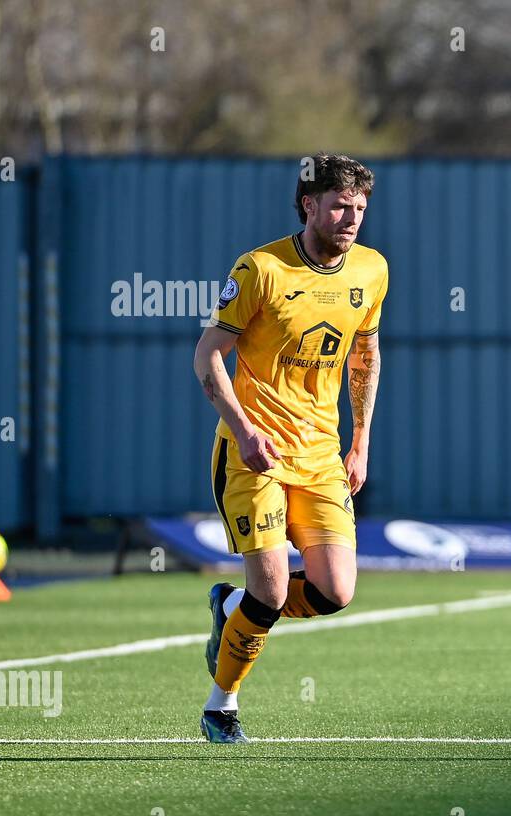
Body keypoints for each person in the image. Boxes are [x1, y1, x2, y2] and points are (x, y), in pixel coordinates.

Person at [191, 153, 387, 743]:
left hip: (323, 455)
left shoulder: (372, 270)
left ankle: (232, 610)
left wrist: (361, 441)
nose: (350, 219)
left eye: (359, 208)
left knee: (336, 592)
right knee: (272, 588)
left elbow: (365, 356)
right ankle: (221, 705)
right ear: (309, 205)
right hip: (257, 454)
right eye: (339, 207)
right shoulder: (261, 270)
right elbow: (207, 359)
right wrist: (244, 430)